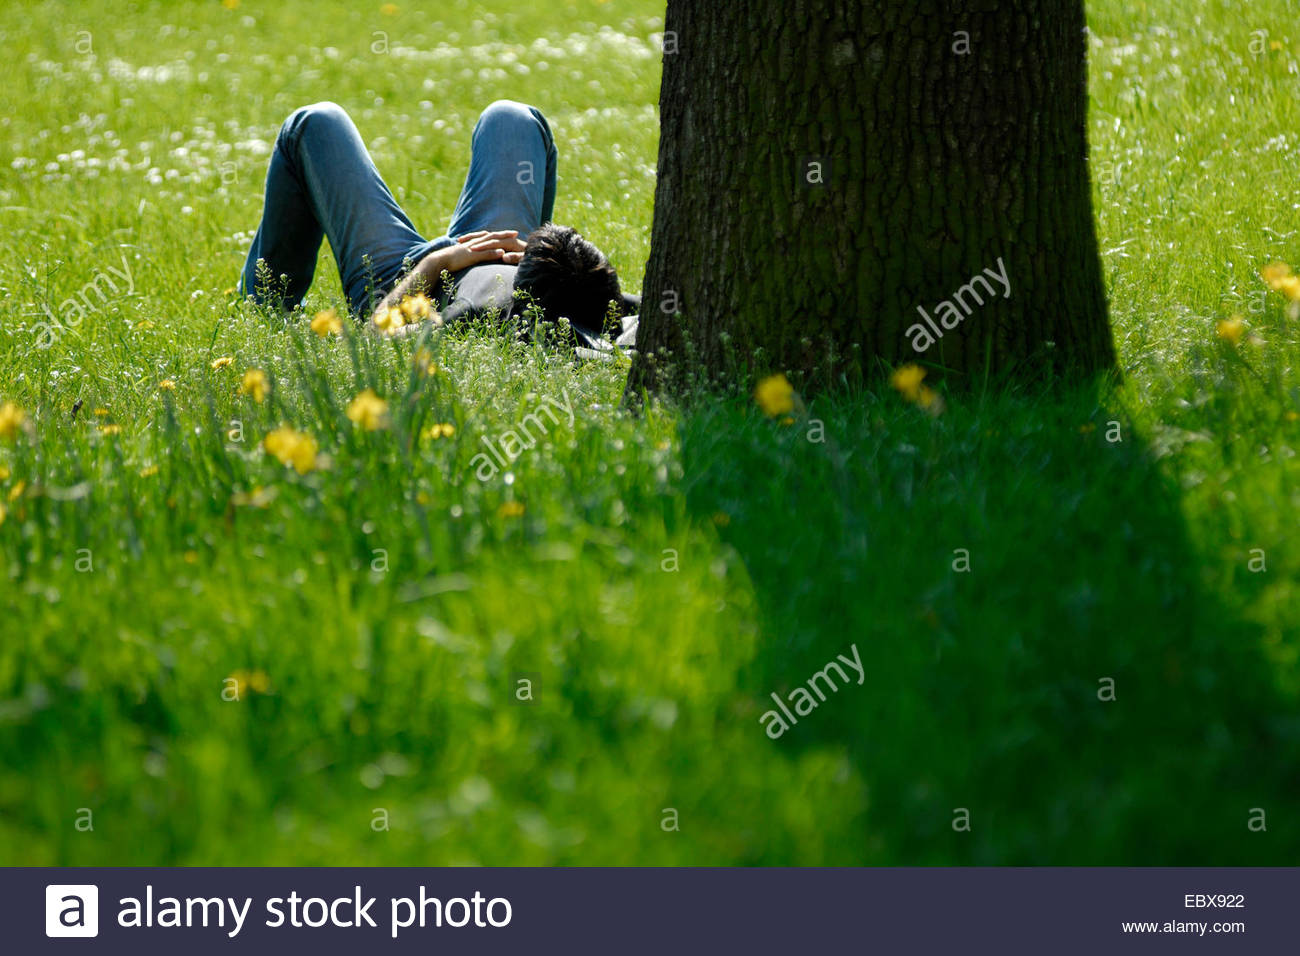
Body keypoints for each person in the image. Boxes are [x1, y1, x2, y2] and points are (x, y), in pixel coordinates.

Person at [238, 100, 638, 352]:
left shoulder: (476, 317)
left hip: (405, 277)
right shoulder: (601, 298)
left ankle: (267, 298)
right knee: (513, 116)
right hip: (495, 242)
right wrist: (535, 252)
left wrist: (435, 265)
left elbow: (378, 336)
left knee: (314, 122)